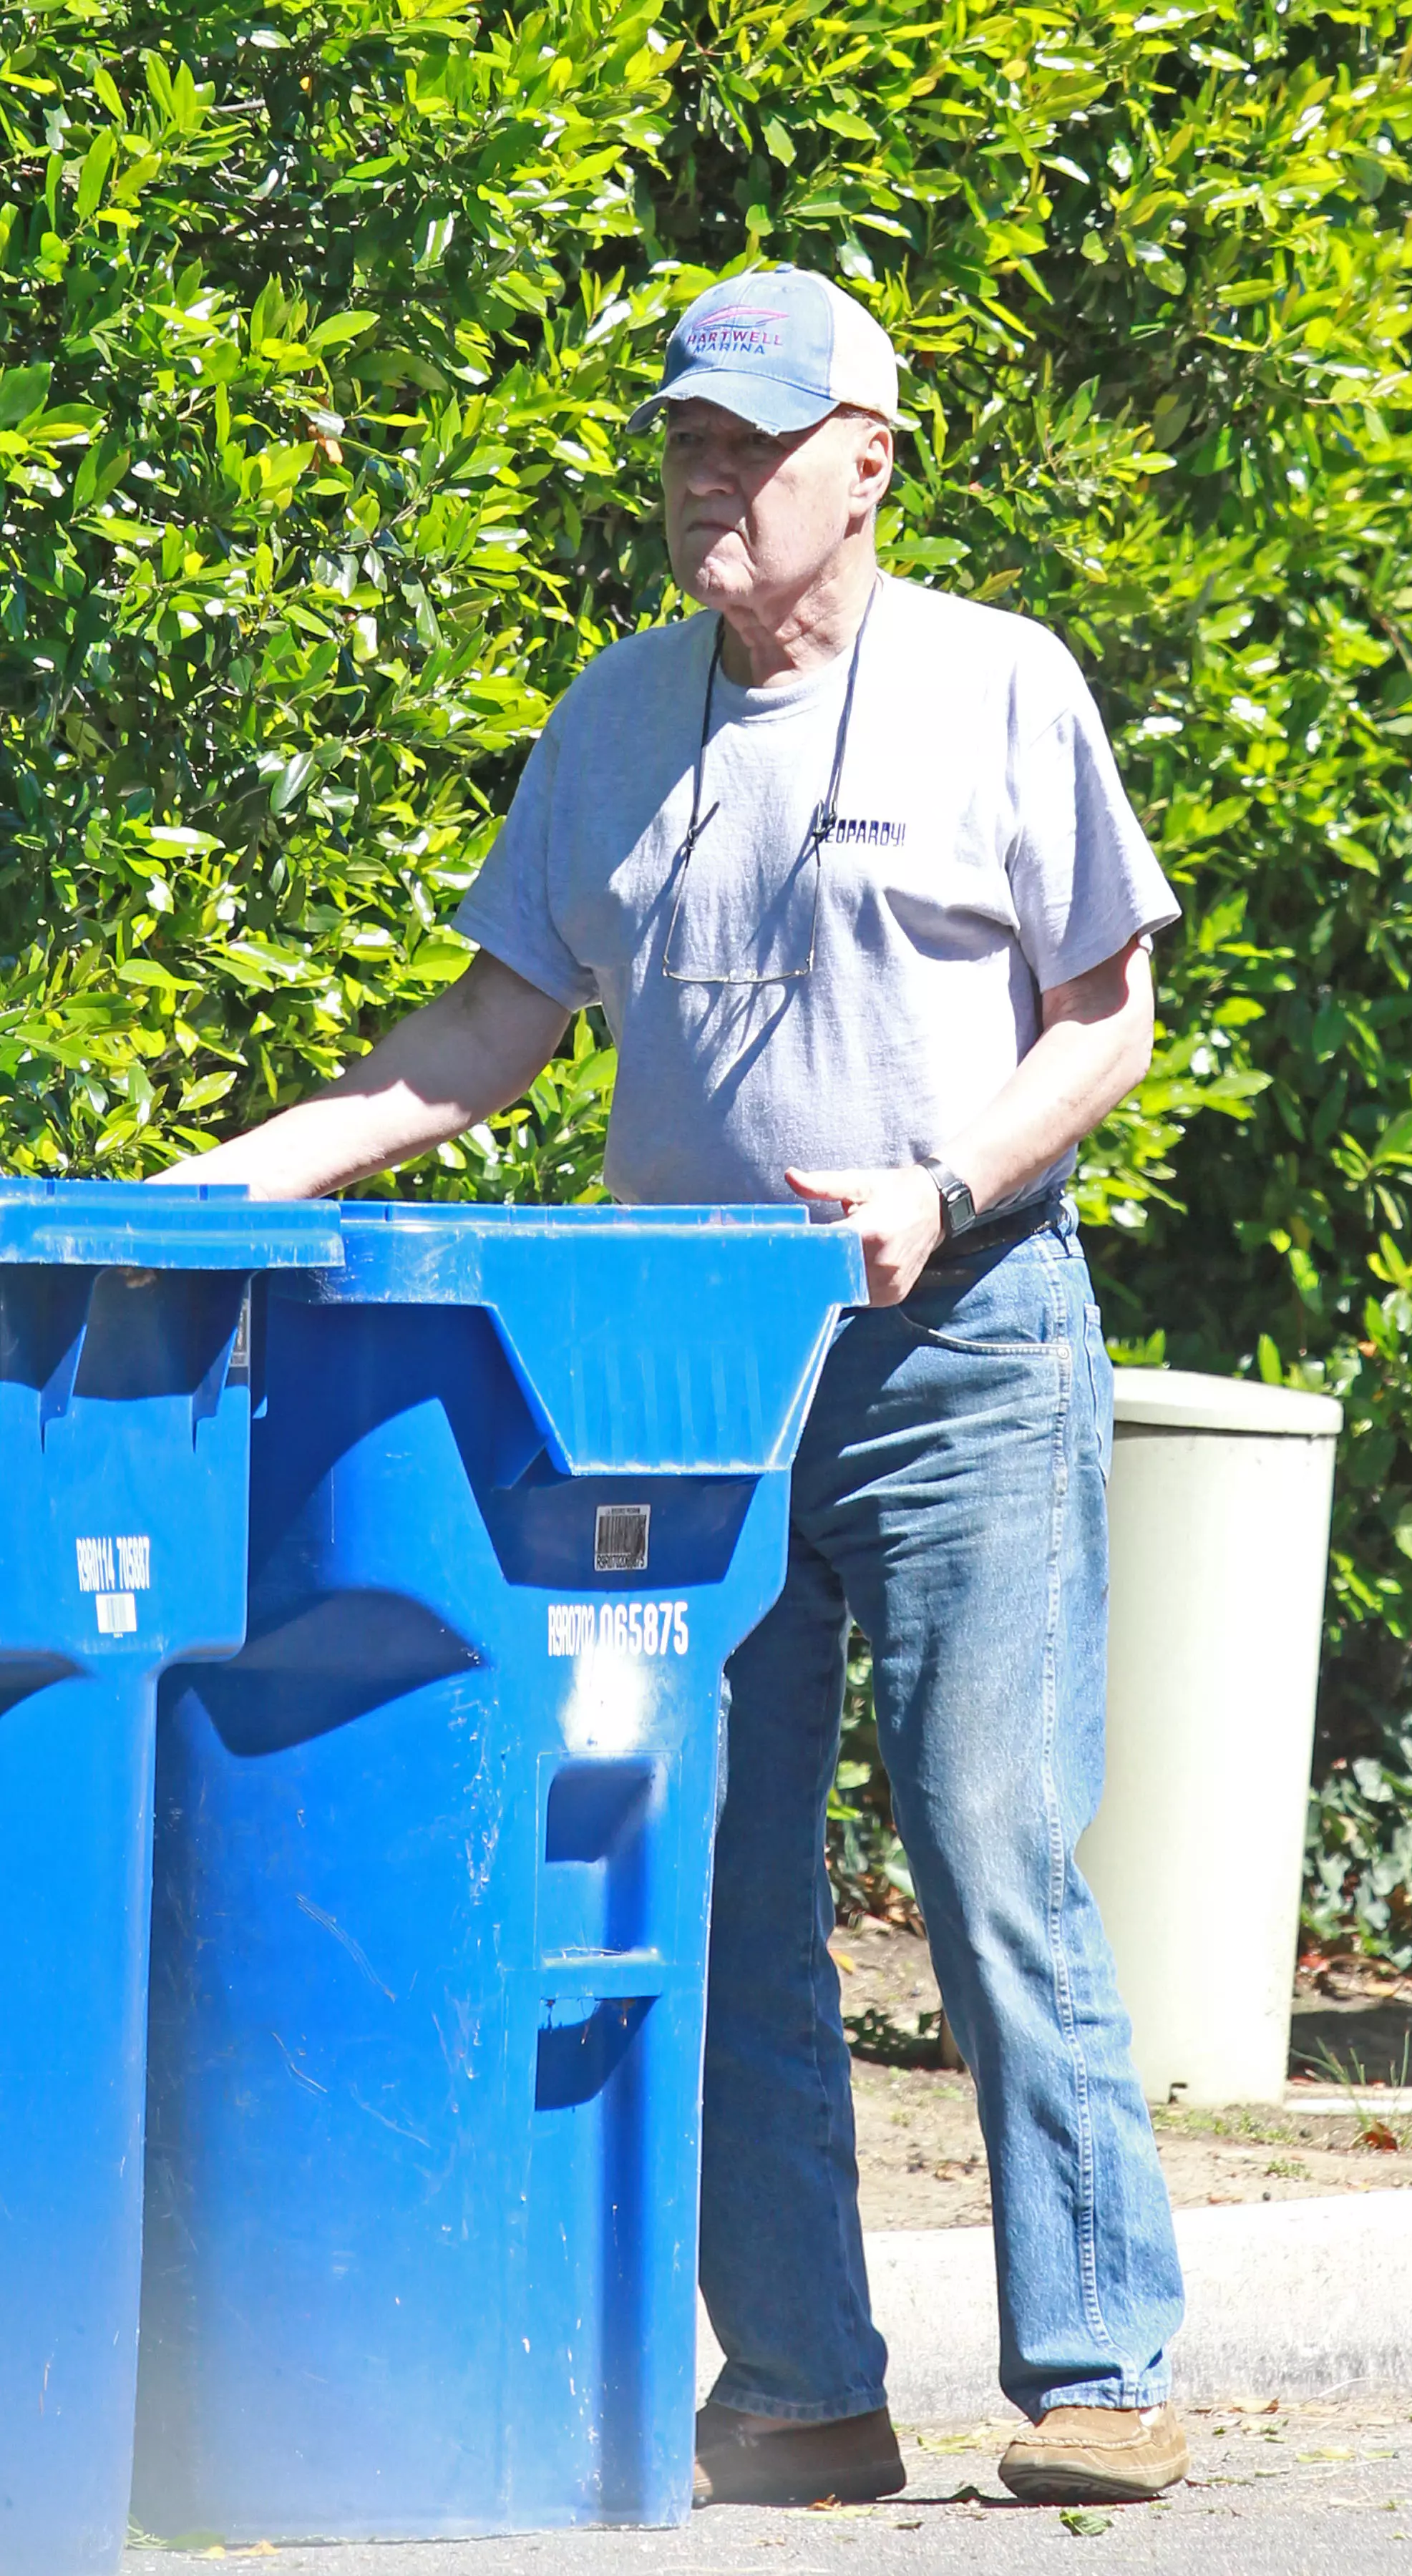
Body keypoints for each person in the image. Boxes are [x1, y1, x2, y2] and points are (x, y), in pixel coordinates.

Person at [171, 265, 1188, 2509]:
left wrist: (937, 1183)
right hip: (687, 1383)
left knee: (993, 1845)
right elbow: (483, 1040)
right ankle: (807, 2386)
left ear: (868, 464)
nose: (702, 481)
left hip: (962, 1341)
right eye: (684, 443)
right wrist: (230, 1176)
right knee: (716, 1874)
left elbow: (1105, 1017)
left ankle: (1104, 2369)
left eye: (749, 442)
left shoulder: (1003, 687)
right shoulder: (614, 720)